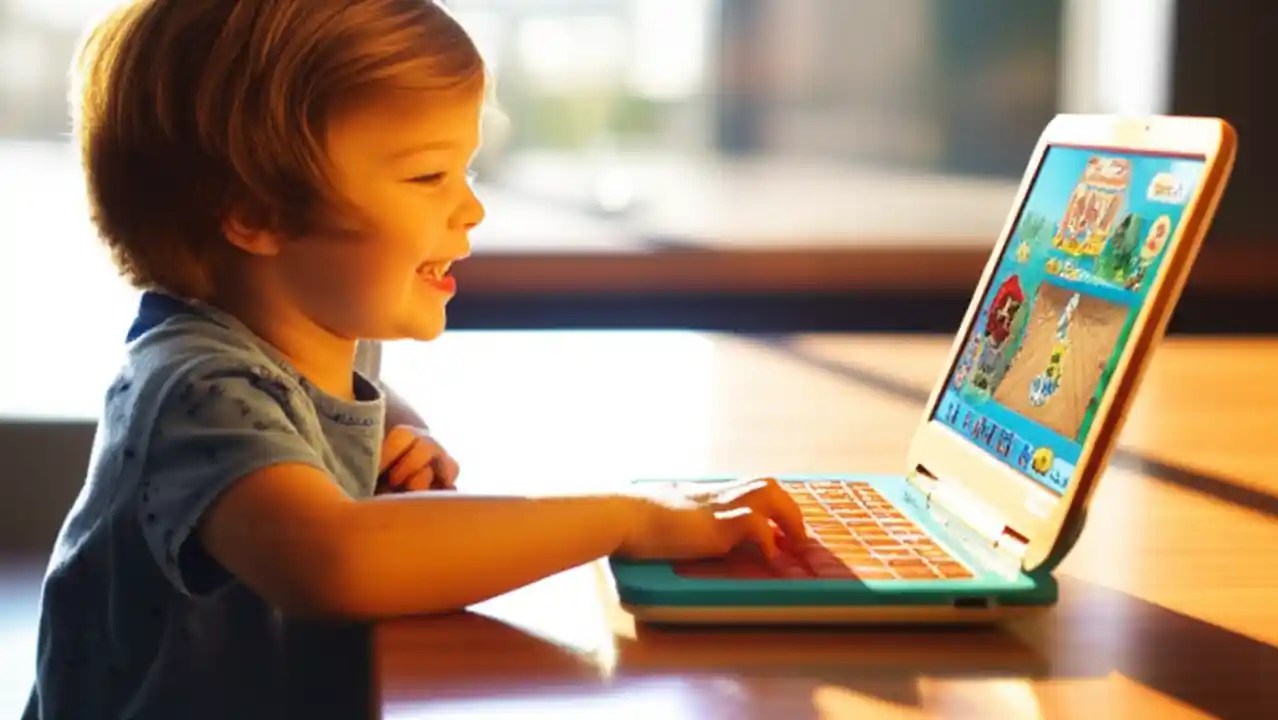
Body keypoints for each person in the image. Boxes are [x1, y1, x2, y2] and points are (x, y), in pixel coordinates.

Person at [24, 2, 806, 718]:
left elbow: (349, 397)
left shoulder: (310, 333)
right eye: (429, 175)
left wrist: (407, 431)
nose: (470, 207)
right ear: (256, 213)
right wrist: (625, 521)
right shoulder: (193, 389)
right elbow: (336, 560)